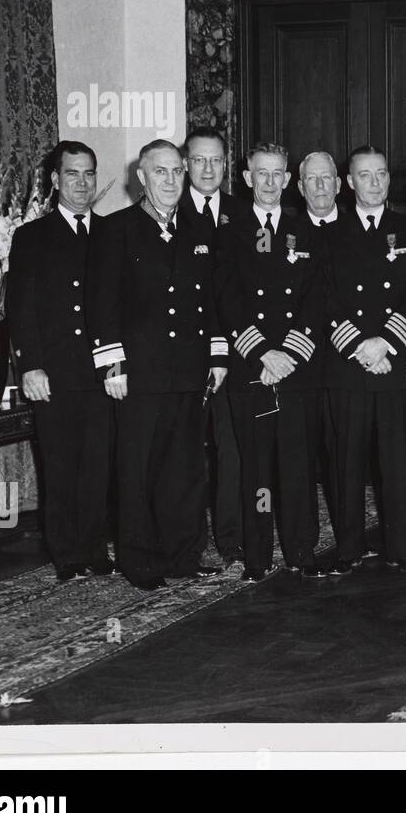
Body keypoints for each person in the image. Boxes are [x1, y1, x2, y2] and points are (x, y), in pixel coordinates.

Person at [85, 140, 229, 591]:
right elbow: (100, 303)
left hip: (188, 370)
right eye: (160, 172)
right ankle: (141, 562)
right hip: (138, 373)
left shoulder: (198, 229)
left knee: (185, 469)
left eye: (176, 171)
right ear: (141, 178)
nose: (170, 180)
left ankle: (184, 556)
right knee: (138, 469)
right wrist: (112, 365)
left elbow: (212, 299)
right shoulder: (115, 229)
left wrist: (218, 355)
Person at [215, 142, 324, 582]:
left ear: (288, 178)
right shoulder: (230, 231)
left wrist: (289, 355)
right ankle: (257, 557)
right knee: (254, 465)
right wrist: (262, 352)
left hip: (294, 368)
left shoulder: (307, 231)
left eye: (278, 173)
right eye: (262, 173)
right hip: (252, 367)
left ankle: (301, 550)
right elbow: (227, 298)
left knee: (297, 463)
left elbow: (316, 301)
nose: (270, 182)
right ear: (246, 178)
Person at [5, 140, 113, 581]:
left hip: (103, 370)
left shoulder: (111, 232)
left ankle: (94, 547)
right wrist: (29, 364)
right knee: (61, 463)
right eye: (73, 174)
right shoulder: (31, 236)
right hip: (53, 371)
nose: (82, 183)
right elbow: (21, 307)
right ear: (55, 180)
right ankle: (67, 554)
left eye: (88, 174)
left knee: (98, 464)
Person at [323, 146, 406, 574]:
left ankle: (400, 548)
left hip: (394, 360)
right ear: (348, 183)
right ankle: (348, 549)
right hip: (350, 364)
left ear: (390, 179)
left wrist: (385, 343)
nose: (373, 182)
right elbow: (325, 301)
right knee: (347, 460)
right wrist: (360, 348)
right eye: (364, 175)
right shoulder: (330, 234)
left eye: (381, 174)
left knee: (396, 461)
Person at [179, 126, 246, 567]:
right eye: (199, 160)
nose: (208, 169)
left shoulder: (244, 215)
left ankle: (232, 539)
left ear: (226, 165)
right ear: (186, 165)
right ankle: (186, 543)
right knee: (183, 451)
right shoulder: (167, 211)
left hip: (235, 357)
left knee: (231, 450)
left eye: (216, 161)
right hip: (180, 355)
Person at [296, 150, 344, 542]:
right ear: (299, 187)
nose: (320, 186)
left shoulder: (358, 230)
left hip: (349, 363)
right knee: (302, 455)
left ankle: (349, 538)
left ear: (339, 184)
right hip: (304, 363)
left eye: (326, 178)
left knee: (345, 456)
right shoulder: (288, 233)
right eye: (312, 180)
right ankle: (306, 540)